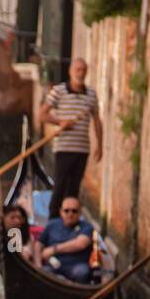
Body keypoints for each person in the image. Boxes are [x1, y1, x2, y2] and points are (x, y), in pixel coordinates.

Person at [40, 57, 103, 220]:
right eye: (77, 70)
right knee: (60, 186)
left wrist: (100, 145)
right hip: (64, 148)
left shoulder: (91, 94)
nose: (80, 73)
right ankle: (53, 219)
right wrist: (60, 122)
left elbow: (97, 121)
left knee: (74, 189)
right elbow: (42, 114)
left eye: (83, 70)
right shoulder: (59, 91)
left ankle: (70, 220)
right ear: (70, 71)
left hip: (82, 149)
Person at [37, 197, 94, 282]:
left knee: (82, 272)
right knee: (43, 273)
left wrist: (54, 249)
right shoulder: (52, 224)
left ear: (80, 212)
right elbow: (38, 244)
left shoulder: (86, 227)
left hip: (76, 266)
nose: (70, 214)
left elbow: (80, 244)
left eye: (74, 211)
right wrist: (37, 265)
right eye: (66, 211)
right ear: (61, 211)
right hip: (52, 265)